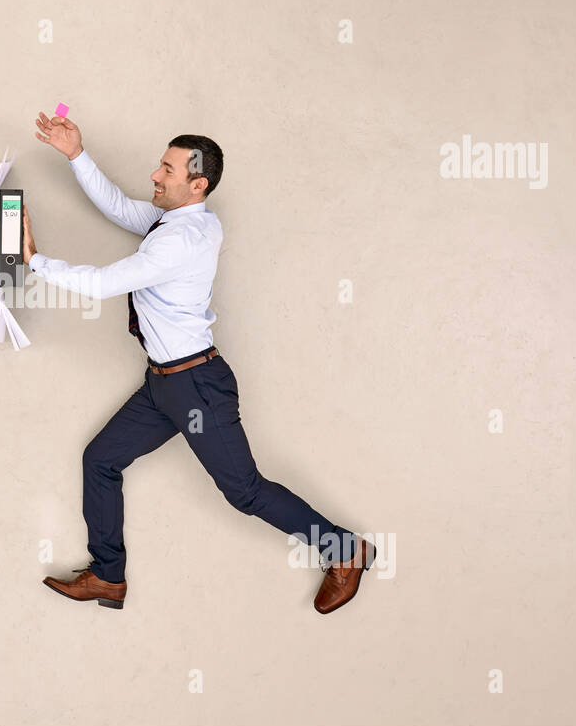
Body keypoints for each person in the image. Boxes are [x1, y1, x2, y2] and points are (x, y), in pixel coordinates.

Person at [27, 112, 375, 613]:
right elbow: (124, 210)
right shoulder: (182, 221)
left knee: (246, 492)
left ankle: (345, 550)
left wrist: (35, 260)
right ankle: (108, 576)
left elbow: (104, 284)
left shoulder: (180, 238)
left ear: (197, 183)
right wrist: (76, 154)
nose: (154, 175)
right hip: (164, 385)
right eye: (159, 166)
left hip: (196, 387)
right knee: (101, 460)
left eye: (166, 170)